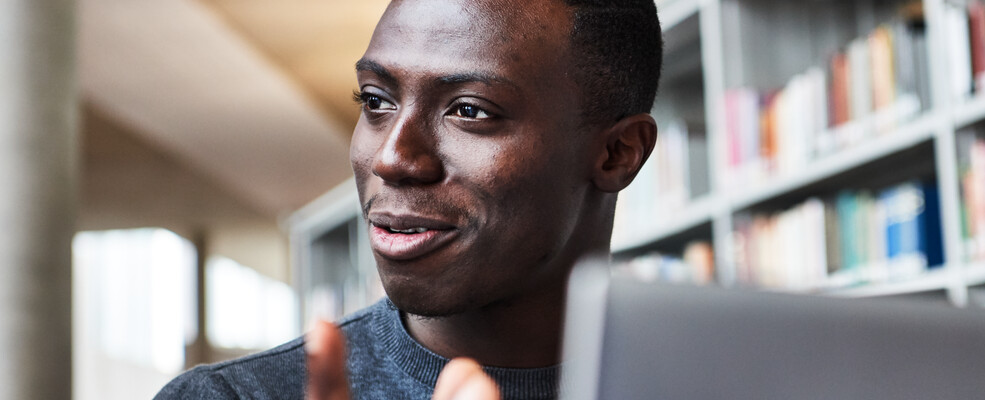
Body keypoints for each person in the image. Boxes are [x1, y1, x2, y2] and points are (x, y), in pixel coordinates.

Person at [155, 0, 662, 398]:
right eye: (376, 100)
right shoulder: (227, 398)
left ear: (618, 154)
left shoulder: (725, 383)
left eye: (470, 110)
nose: (392, 159)